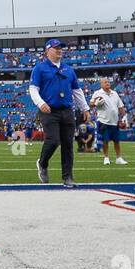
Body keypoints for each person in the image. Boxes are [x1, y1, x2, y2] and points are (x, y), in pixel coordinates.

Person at [29, 38, 88, 187]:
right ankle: (42, 163)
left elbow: (76, 90)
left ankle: (67, 177)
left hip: (67, 110)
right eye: (56, 48)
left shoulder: (68, 70)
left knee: (68, 144)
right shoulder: (40, 68)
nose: (59, 50)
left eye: (60, 47)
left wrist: (85, 108)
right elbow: (33, 88)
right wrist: (40, 103)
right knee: (53, 140)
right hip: (49, 110)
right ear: (48, 50)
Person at [90, 76, 127, 164]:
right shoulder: (97, 93)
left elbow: (120, 107)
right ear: (101, 84)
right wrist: (96, 103)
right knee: (105, 140)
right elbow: (91, 104)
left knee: (117, 141)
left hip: (114, 121)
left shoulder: (114, 93)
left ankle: (119, 158)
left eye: (108, 82)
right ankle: (106, 157)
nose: (107, 83)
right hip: (103, 121)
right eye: (105, 82)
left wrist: (124, 118)